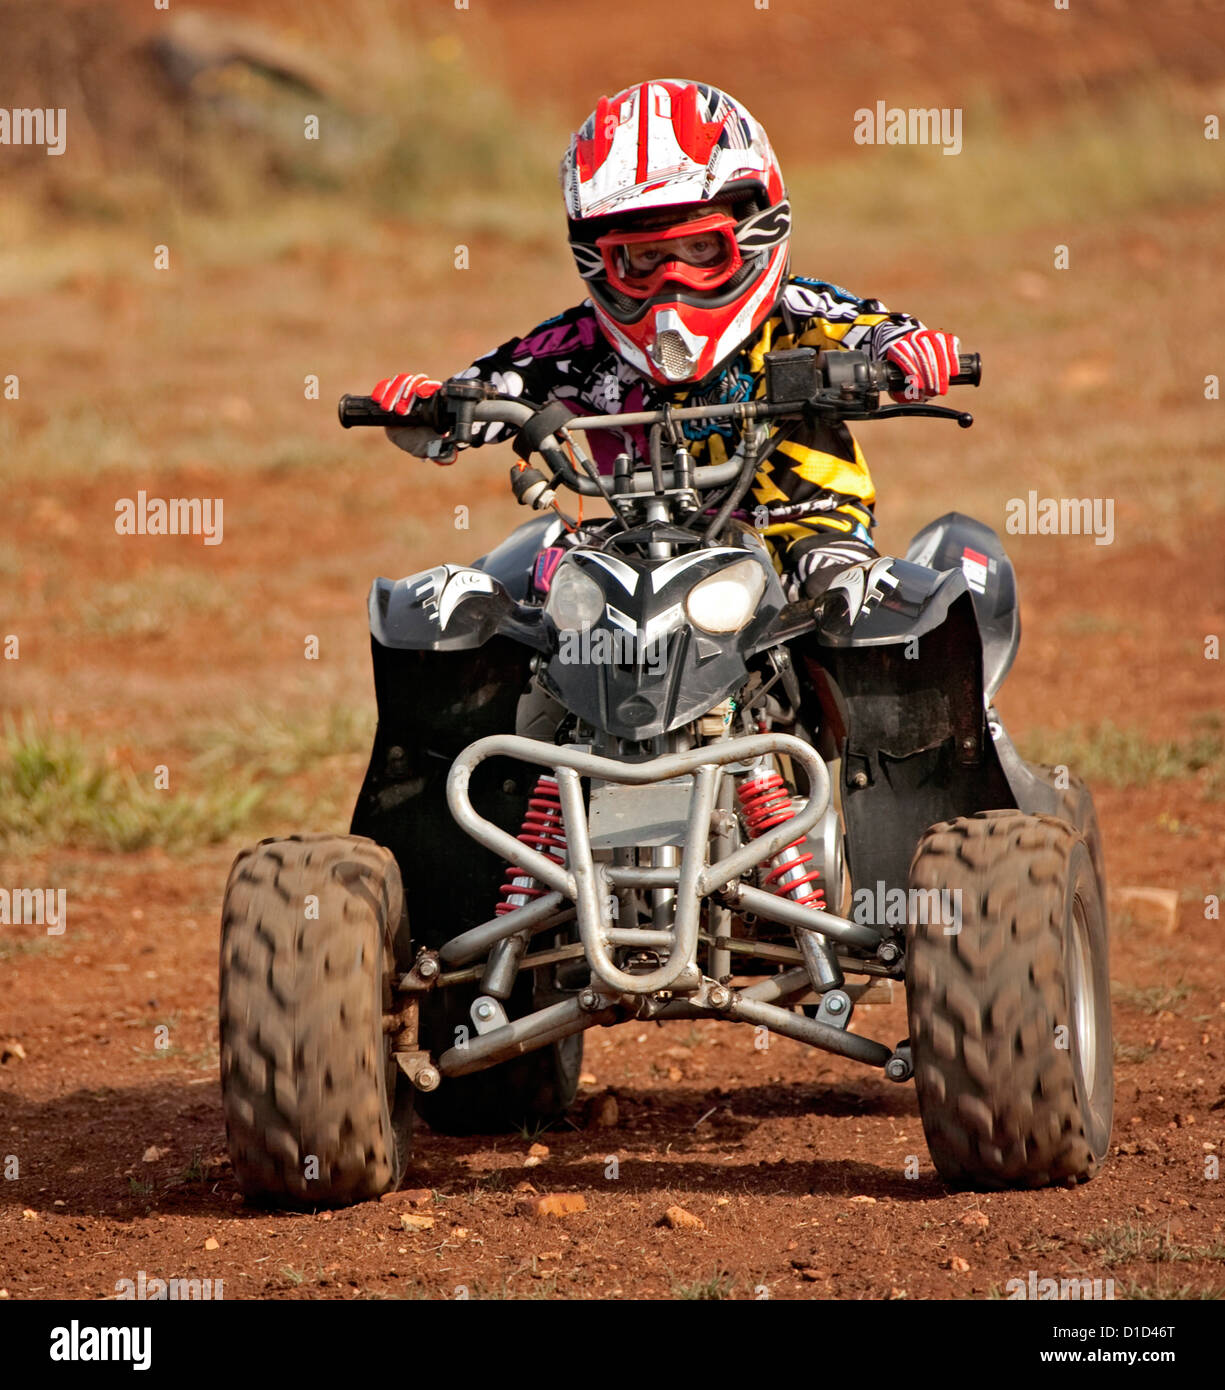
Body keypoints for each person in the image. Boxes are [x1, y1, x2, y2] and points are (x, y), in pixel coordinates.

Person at [372, 79, 962, 600]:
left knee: (851, 605)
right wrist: (434, 406)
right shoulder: (577, 344)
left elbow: (871, 326)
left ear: (756, 230)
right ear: (600, 261)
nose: (672, 280)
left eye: (700, 248)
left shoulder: (798, 311)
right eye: (646, 257)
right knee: (534, 594)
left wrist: (904, 350)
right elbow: (498, 381)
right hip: (644, 538)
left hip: (807, 524)